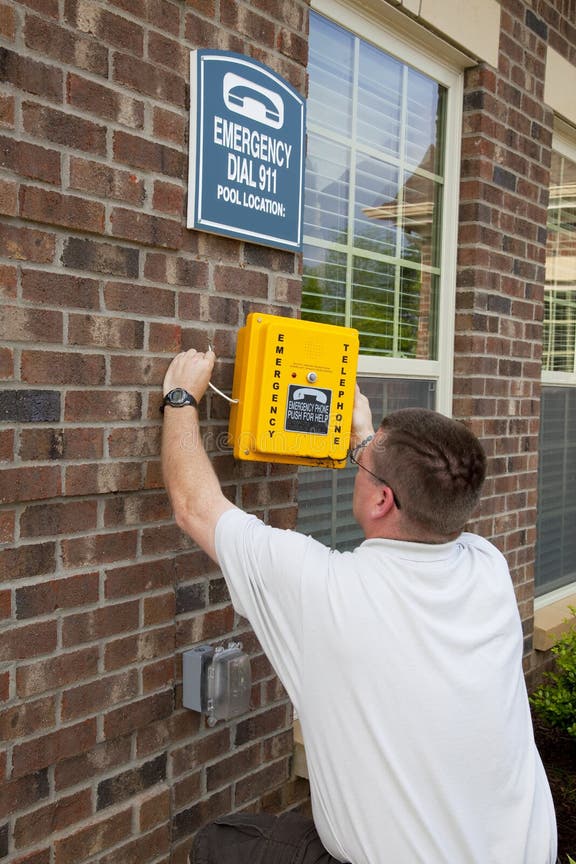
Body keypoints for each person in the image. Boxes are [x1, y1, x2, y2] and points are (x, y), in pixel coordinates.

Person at [161, 347, 557, 864]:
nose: (357, 465)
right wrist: (368, 440)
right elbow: (421, 503)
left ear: (382, 500)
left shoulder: (327, 593)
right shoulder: (489, 567)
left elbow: (195, 506)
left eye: (361, 465)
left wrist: (181, 397)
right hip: (528, 852)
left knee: (219, 844)